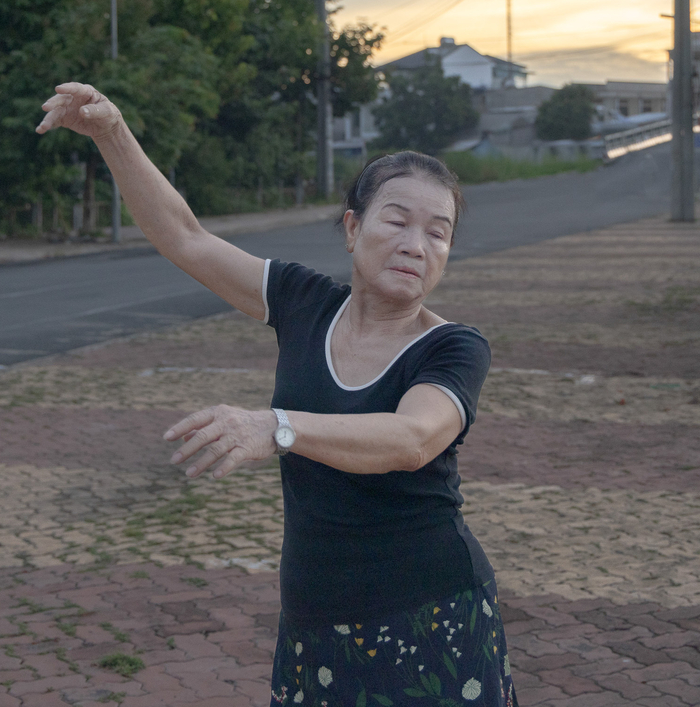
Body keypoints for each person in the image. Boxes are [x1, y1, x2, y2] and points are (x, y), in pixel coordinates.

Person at [36, 83, 516, 706]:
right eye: (396, 220)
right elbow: (186, 237)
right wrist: (112, 133)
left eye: (438, 233)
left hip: (428, 613)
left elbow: (411, 439)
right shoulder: (303, 302)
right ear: (353, 227)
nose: (415, 245)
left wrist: (278, 427)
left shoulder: (453, 348)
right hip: (313, 619)